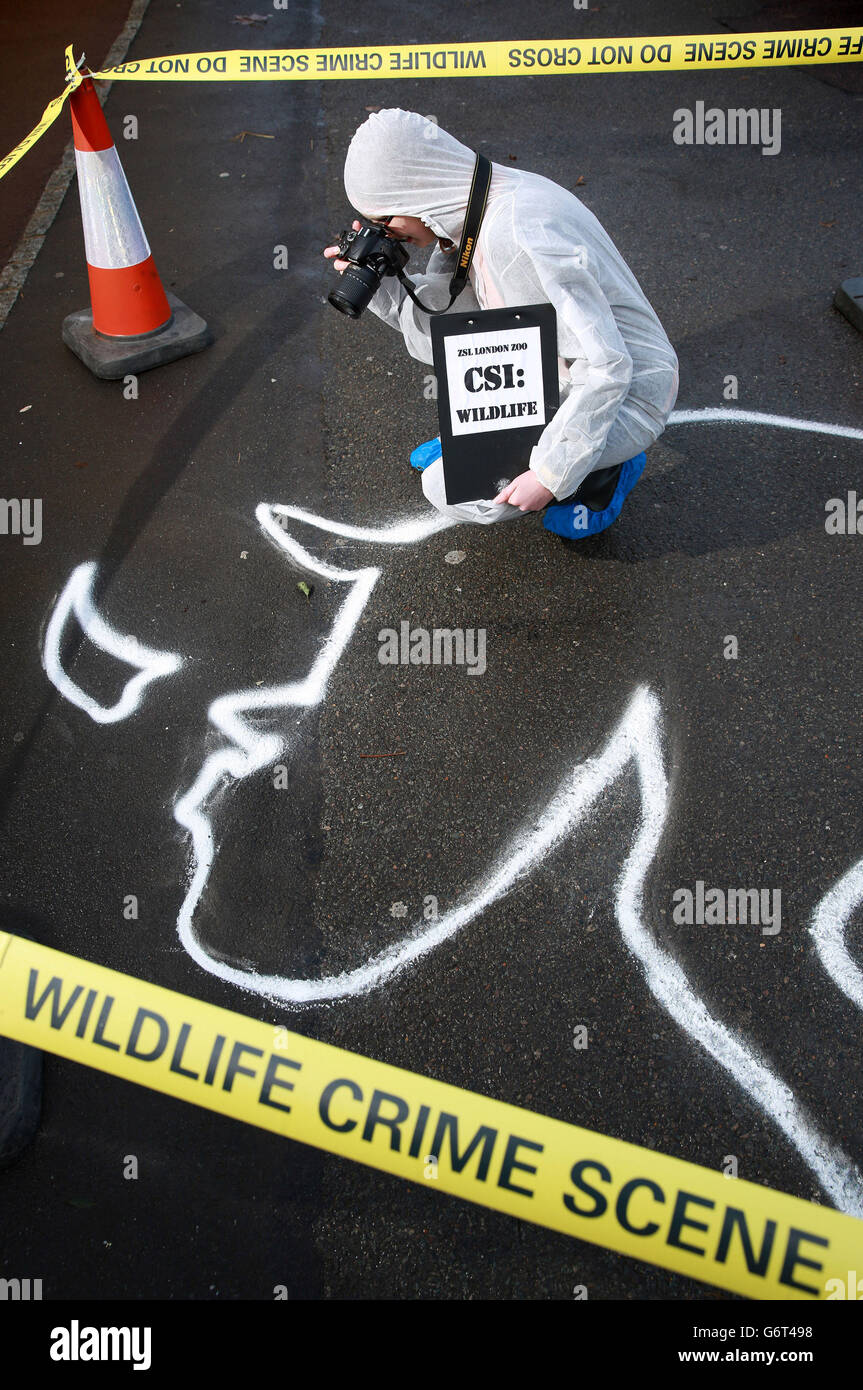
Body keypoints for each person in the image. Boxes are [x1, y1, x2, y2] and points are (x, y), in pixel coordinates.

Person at [323, 108, 679, 533]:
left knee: (447, 488)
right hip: (555, 369)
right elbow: (440, 326)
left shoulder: (518, 235)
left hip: (627, 396)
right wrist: (379, 281)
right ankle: (509, 437)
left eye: (386, 220)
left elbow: (608, 366)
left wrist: (552, 472)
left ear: (415, 192)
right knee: (462, 343)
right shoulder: (477, 206)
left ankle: (603, 470)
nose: (388, 233)